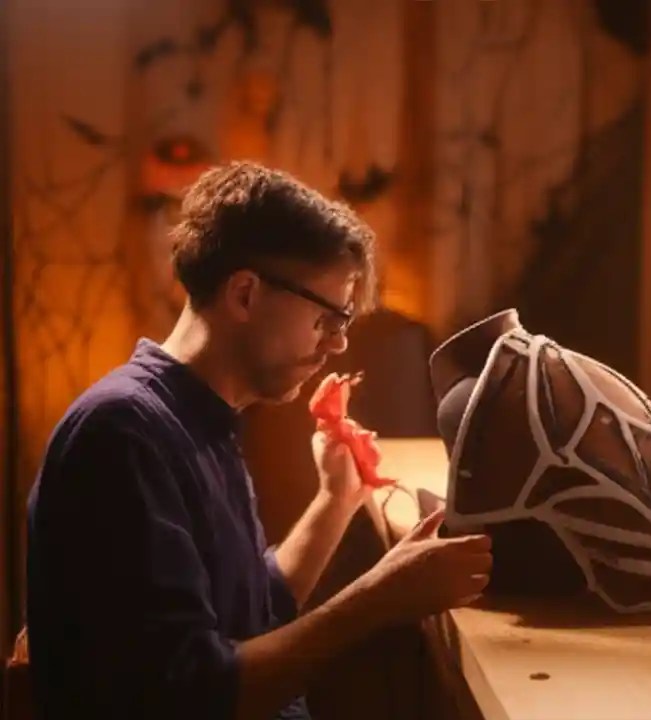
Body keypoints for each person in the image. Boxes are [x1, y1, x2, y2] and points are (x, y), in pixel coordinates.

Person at [24, 161, 492, 719]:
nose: (336, 346)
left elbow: (251, 612)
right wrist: (381, 599)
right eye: (327, 319)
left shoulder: (201, 419)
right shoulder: (123, 436)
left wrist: (335, 500)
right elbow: (195, 696)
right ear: (245, 294)